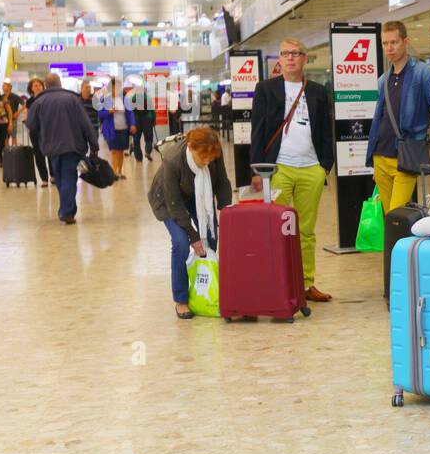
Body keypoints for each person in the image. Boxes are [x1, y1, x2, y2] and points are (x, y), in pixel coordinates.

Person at [249, 36, 335, 303]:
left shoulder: (318, 91)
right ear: (279, 59)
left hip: (311, 169)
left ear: (304, 59)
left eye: (296, 53)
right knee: (277, 230)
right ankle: (280, 282)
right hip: (279, 169)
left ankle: (307, 283)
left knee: (306, 231)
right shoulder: (266, 89)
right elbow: (258, 131)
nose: (290, 58)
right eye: (285, 53)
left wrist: (324, 167)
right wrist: (256, 169)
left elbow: (325, 130)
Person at [363, 21, 430, 217]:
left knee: (396, 214)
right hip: (380, 156)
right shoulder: (383, 80)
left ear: (406, 41)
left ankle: (398, 247)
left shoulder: (422, 73)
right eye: (385, 43)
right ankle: (394, 249)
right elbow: (379, 119)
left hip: (405, 155)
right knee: (389, 219)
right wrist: (373, 161)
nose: (389, 48)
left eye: (394, 42)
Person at [149, 127, 232, 320]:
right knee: (181, 243)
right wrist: (193, 236)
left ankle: (207, 289)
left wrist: (226, 212)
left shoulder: (212, 152)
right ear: (191, 147)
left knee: (211, 237)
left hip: (198, 195)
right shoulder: (172, 160)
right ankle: (181, 299)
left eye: (210, 159)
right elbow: (175, 204)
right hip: (167, 199)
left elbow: (222, 182)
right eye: (203, 157)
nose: (206, 162)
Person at [26, 72, 99, 224]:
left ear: (46, 85)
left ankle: (67, 210)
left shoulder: (39, 102)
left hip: (51, 147)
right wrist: (94, 145)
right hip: (72, 146)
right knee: (68, 178)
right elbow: (86, 124)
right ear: (60, 83)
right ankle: (67, 211)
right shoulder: (73, 99)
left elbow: (31, 125)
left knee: (60, 178)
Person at [98, 84, 136, 180]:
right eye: (114, 87)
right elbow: (100, 113)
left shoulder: (124, 99)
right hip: (111, 129)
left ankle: (119, 171)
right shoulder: (105, 99)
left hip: (123, 128)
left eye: (118, 87)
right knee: (114, 151)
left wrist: (132, 124)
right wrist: (108, 111)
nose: (116, 89)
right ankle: (114, 173)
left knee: (121, 151)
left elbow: (130, 112)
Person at [24, 77, 51, 186]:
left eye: (39, 85)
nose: (38, 87)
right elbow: (27, 114)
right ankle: (44, 178)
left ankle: (53, 175)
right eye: (35, 85)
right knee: (39, 154)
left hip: (48, 129)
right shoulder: (30, 101)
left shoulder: (48, 97)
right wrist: (27, 122)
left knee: (51, 151)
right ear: (31, 89)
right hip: (35, 130)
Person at [132, 87, 157, 162]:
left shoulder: (133, 98)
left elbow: (130, 111)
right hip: (147, 119)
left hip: (136, 120)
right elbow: (152, 110)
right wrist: (153, 120)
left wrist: (131, 122)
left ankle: (138, 158)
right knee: (149, 138)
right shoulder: (148, 98)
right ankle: (147, 152)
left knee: (136, 140)